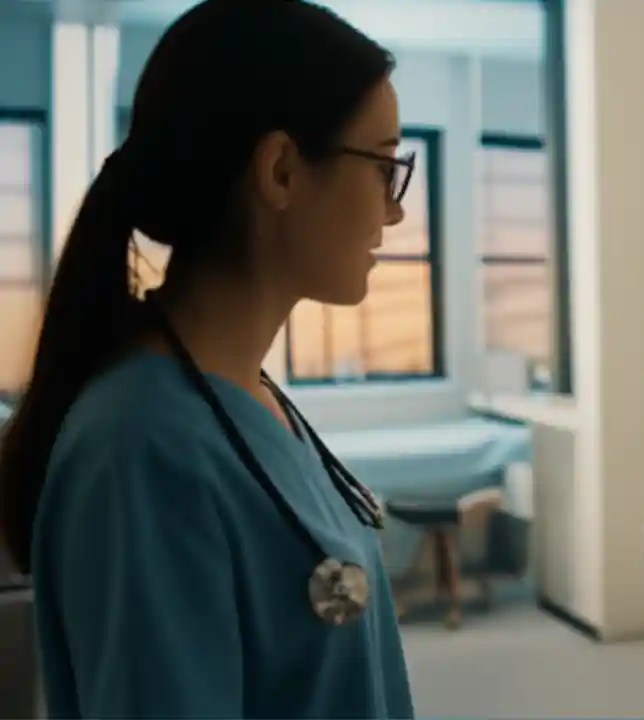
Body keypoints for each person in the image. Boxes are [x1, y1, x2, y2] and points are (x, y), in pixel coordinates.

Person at [0, 1, 416, 717]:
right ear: (282, 170)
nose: (396, 211)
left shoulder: (250, 400)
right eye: (384, 166)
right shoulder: (142, 450)